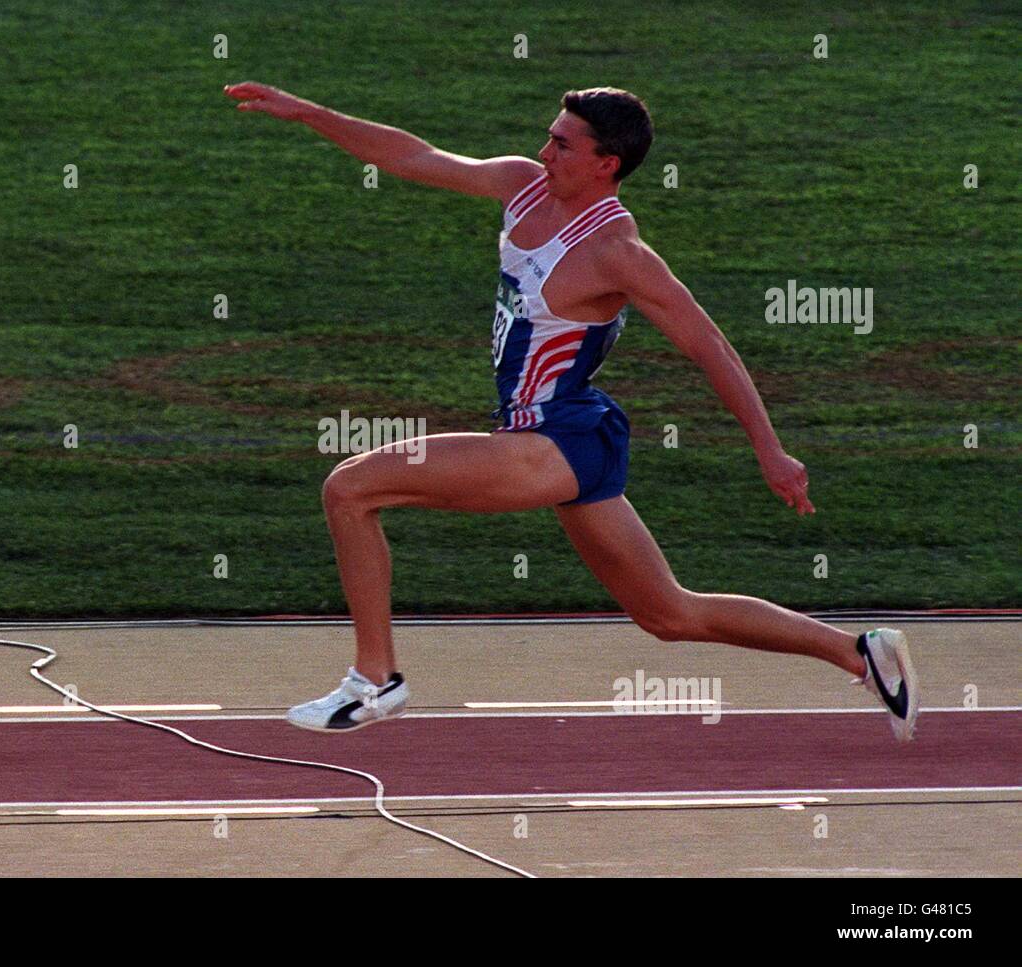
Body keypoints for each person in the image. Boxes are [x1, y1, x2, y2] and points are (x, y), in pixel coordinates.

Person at [224, 82, 918, 741]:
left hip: (557, 439)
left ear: (605, 163)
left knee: (350, 486)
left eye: (563, 144)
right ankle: (862, 652)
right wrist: (308, 112)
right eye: (549, 137)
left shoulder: (618, 254)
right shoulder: (522, 186)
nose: (545, 150)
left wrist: (770, 449)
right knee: (669, 613)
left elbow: (712, 346)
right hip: (557, 435)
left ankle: (376, 679)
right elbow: (411, 155)